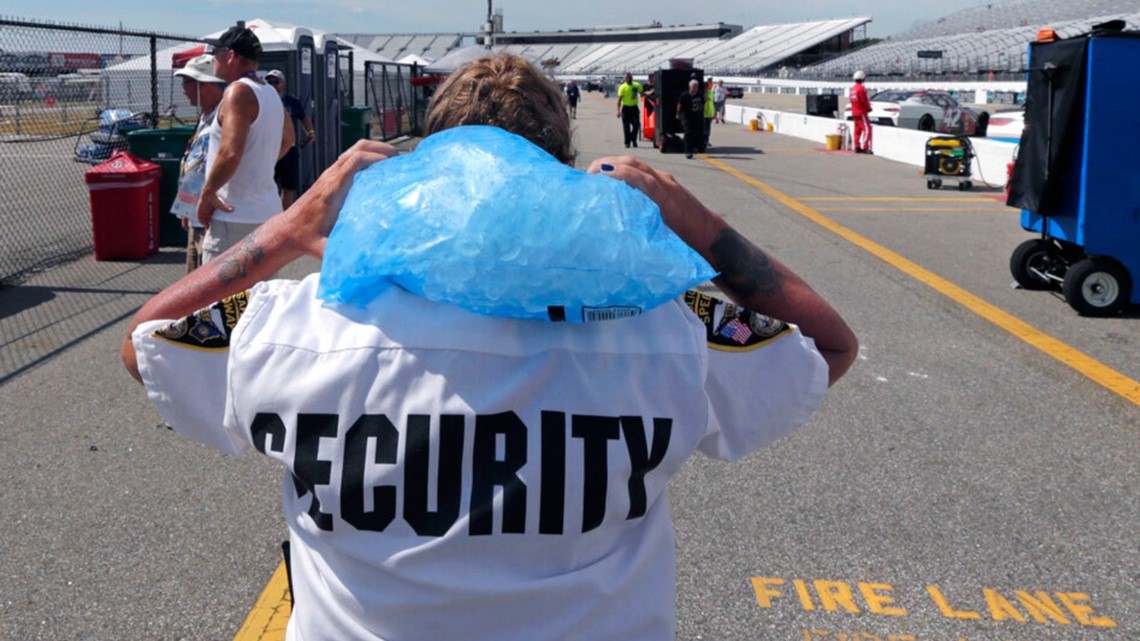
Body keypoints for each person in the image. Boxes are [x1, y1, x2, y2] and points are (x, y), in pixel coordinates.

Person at [121, 53, 857, 641]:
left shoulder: (297, 321)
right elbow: (827, 343)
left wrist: (286, 230)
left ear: (427, 164)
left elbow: (143, 342)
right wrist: (693, 219)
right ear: (562, 172)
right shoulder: (669, 326)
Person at [196, 25, 285, 264]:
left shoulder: (238, 92)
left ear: (231, 56)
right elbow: (289, 140)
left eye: (216, 55)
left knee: (221, 299)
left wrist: (207, 194)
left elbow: (230, 152)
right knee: (257, 297)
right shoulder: (270, 93)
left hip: (234, 217)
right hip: (266, 212)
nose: (213, 61)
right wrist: (258, 164)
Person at [170, 54, 226, 273]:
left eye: (187, 83)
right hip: (196, 213)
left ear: (206, 84)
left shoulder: (223, 116)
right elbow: (195, 164)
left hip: (211, 214)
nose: (184, 90)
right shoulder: (206, 116)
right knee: (193, 275)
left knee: (206, 280)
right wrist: (186, 207)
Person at [266, 69, 316, 208]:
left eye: (276, 82)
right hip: (270, 149)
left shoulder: (291, 101)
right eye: (269, 82)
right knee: (270, 185)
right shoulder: (263, 101)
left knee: (288, 186)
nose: (273, 85)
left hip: (289, 148)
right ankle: (271, 214)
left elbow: (304, 117)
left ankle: (285, 214)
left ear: (283, 84)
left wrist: (310, 132)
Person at [676, 78, 705, 159]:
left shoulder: (699, 95)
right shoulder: (684, 95)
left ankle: (699, 147)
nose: (695, 88)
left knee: (697, 132)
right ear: (690, 87)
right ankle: (688, 151)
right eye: (694, 87)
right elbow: (679, 105)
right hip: (685, 115)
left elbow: (702, 104)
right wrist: (677, 114)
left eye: (696, 87)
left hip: (696, 116)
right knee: (688, 131)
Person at [615, 72, 642, 148]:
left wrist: (650, 93)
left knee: (636, 125)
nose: (628, 79)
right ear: (625, 79)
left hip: (634, 108)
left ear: (632, 78)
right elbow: (619, 100)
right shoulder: (622, 87)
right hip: (626, 109)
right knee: (626, 127)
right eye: (627, 78)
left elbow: (642, 93)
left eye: (629, 77)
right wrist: (618, 111)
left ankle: (633, 140)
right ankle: (627, 142)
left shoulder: (637, 85)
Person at [849, 70, 873, 154]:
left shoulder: (852, 89)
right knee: (867, 129)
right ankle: (865, 147)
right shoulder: (861, 88)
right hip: (861, 112)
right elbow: (864, 100)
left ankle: (857, 146)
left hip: (854, 111)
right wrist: (869, 108)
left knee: (857, 130)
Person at [703, 78, 716, 149]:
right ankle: (704, 141)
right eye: (704, 87)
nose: (705, 89)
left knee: (707, 129)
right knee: (704, 129)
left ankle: (706, 140)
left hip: (709, 113)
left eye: (706, 87)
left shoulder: (710, 92)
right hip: (704, 114)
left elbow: (709, 99)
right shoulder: (702, 93)